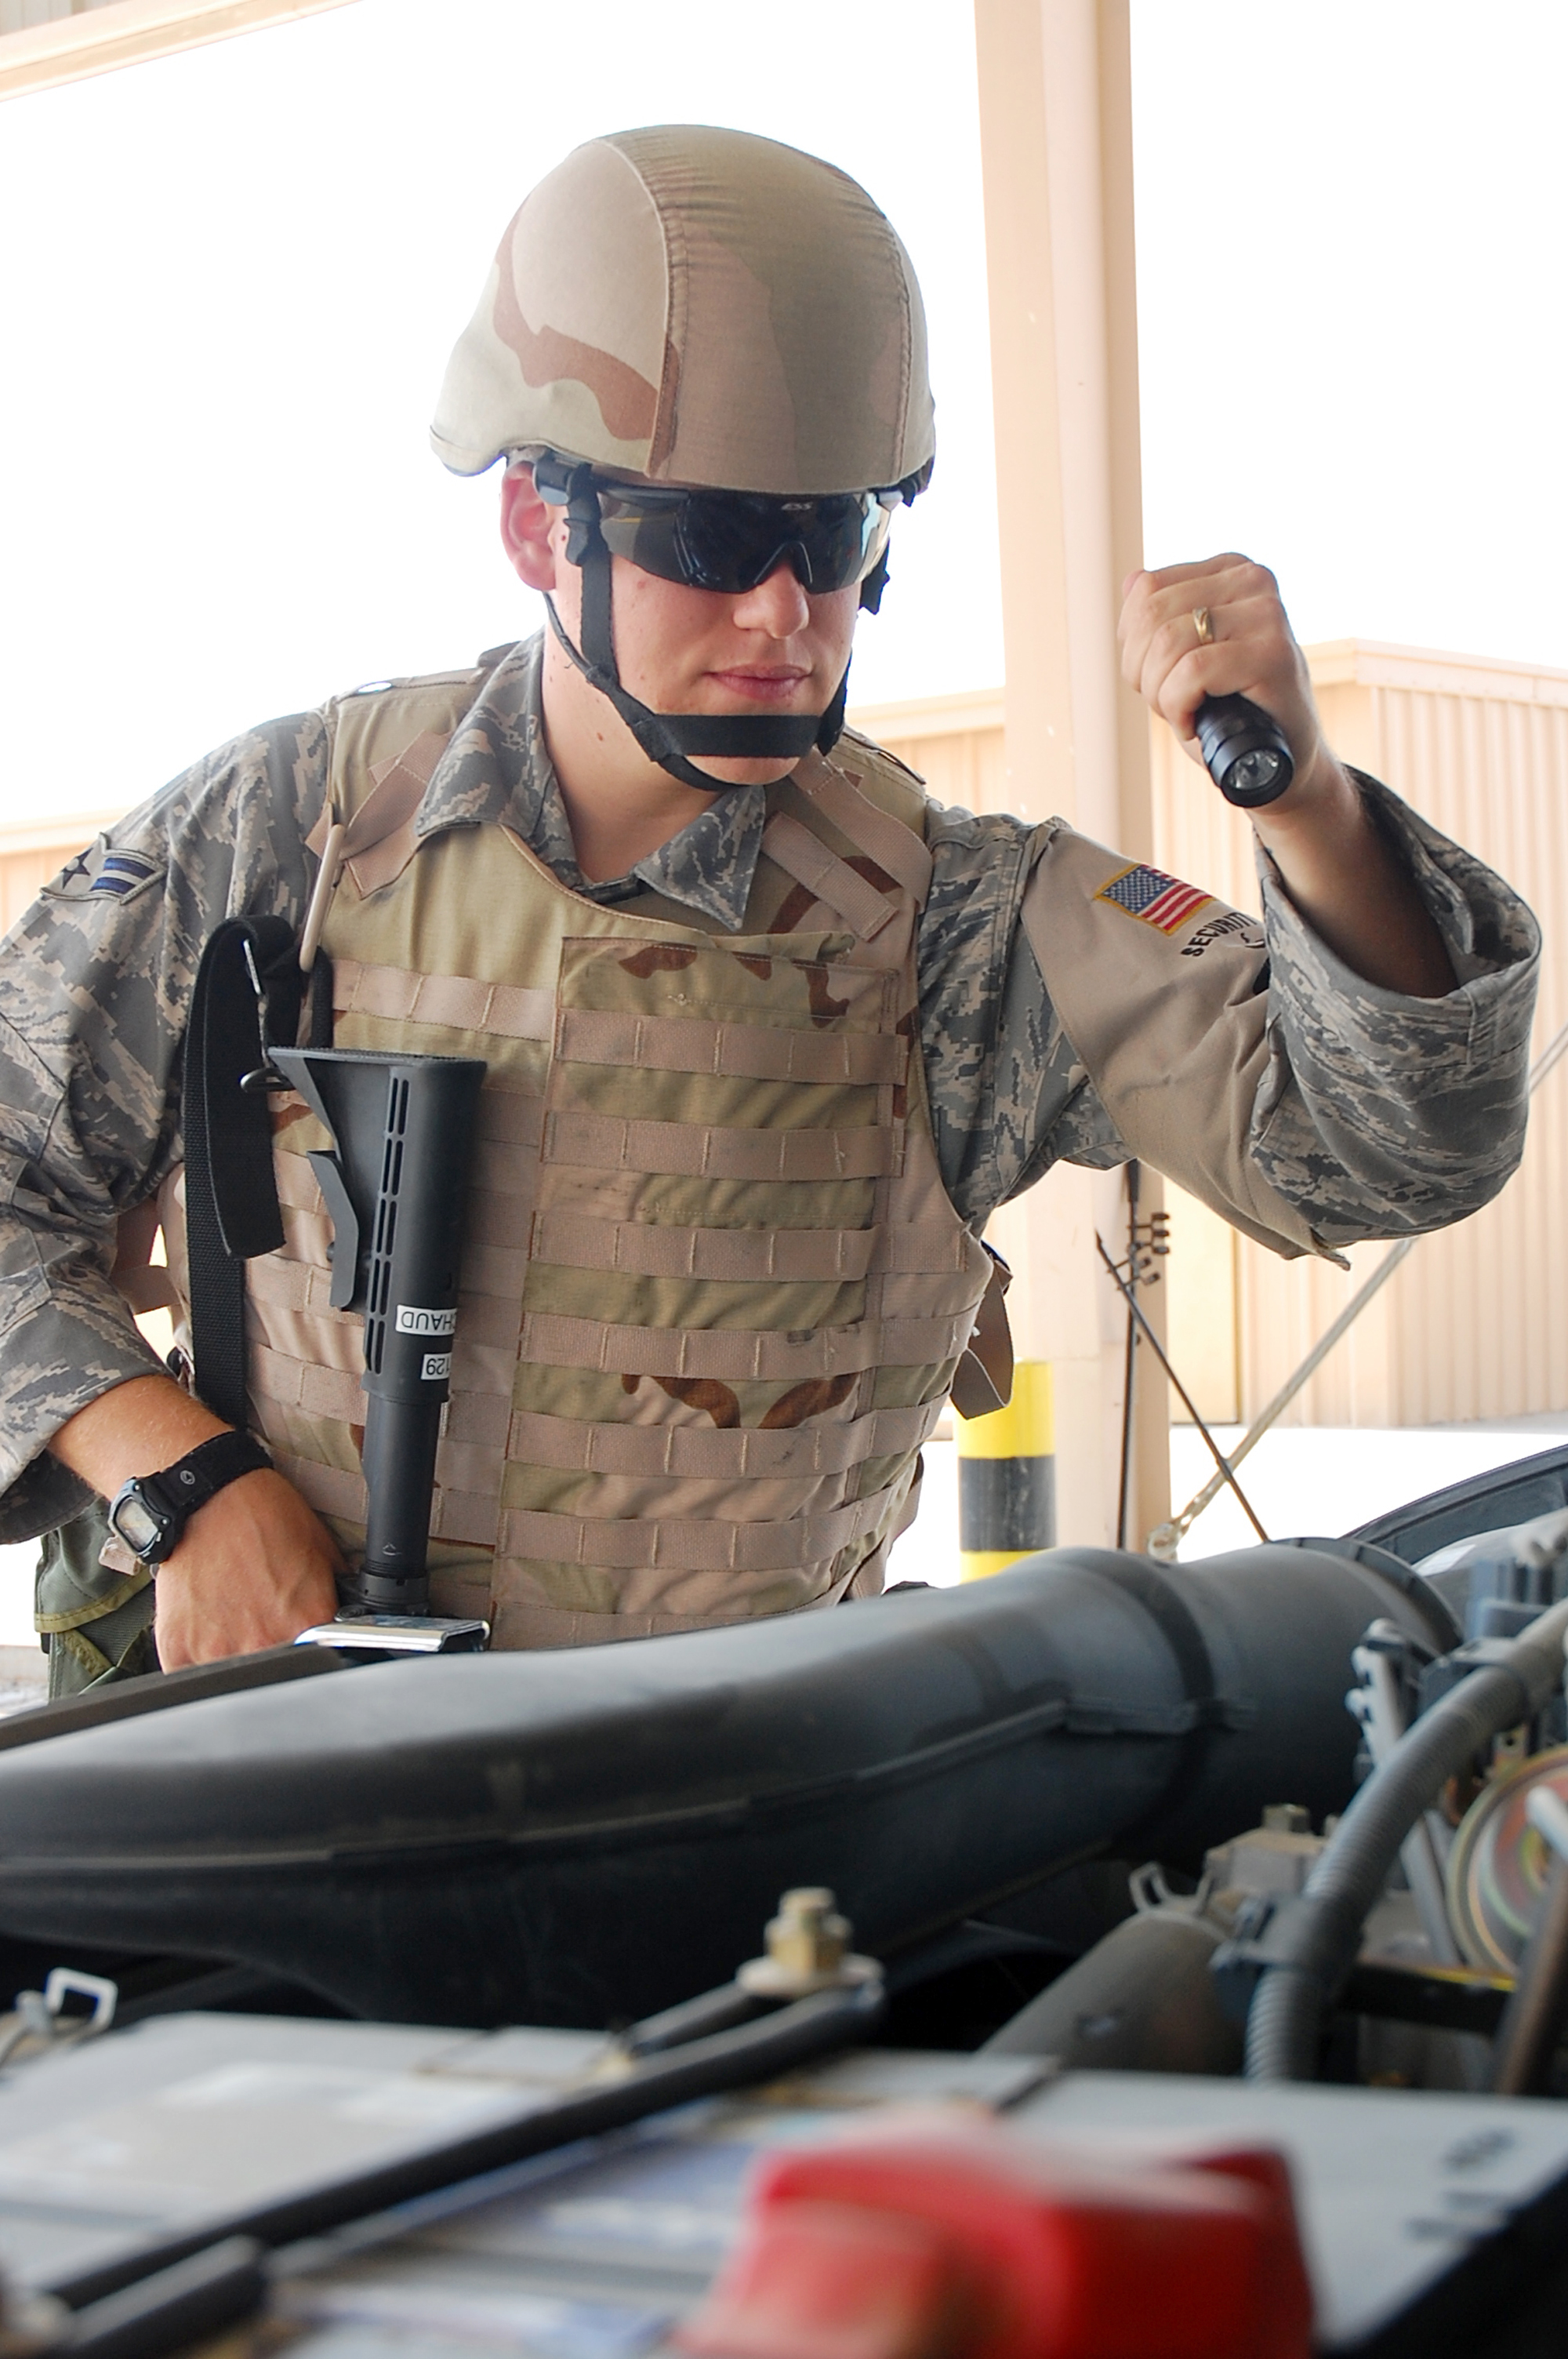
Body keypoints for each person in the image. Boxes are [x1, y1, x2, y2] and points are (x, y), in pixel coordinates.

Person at [1, 125, 1537, 1691]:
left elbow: (1393, 1154)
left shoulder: (960, 921)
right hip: (295, 1769)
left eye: (833, 538)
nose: (783, 614)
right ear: (539, 528)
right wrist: (178, 1479)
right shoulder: (291, 835)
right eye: (714, 538)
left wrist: (1309, 806)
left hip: (745, 1812)